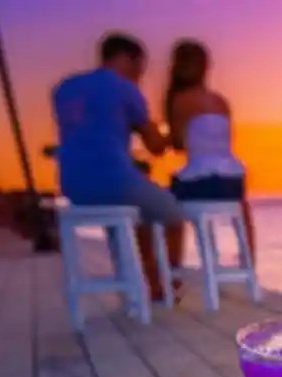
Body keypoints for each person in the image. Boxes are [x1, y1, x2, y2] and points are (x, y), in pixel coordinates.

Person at [51, 33, 184, 302]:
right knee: (173, 213)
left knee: (138, 210)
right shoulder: (125, 89)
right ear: (128, 59)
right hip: (114, 182)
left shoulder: (64, 88)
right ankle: (169, 281)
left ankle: (144, 284)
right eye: (140, 69)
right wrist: (177, 133)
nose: (139, 77)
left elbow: (90, 135)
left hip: (72, 185)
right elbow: (156, 146)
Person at [163, 39, 257, 265]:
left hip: (202, 182)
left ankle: (172, 267)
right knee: (241, 202)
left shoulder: (180, 100)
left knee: (165, 204)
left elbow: (178, 143)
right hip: (233, 183)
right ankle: (249, 257)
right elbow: (225, 145)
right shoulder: (221, 102)